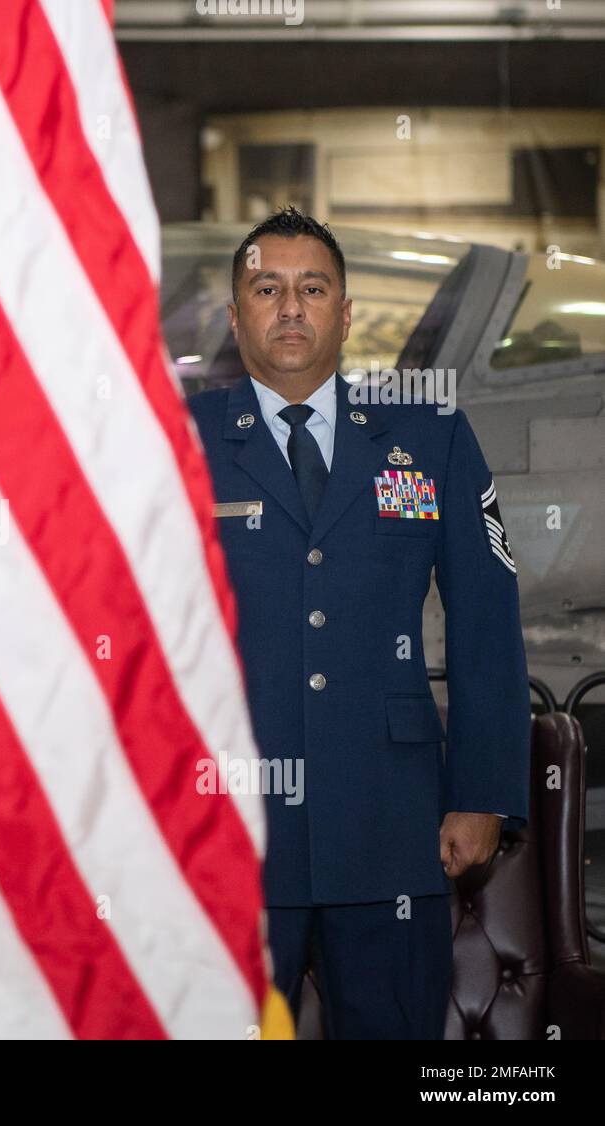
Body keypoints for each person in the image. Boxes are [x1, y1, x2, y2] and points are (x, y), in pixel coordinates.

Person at [188, 207, 529, 1039]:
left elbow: (488, 616)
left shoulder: (430, 437)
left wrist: (482, 792)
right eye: (267, 289)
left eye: (313, 288)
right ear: (237, 318)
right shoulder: (177, 440)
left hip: (391, 826)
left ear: (346, 312)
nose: (291, 307)